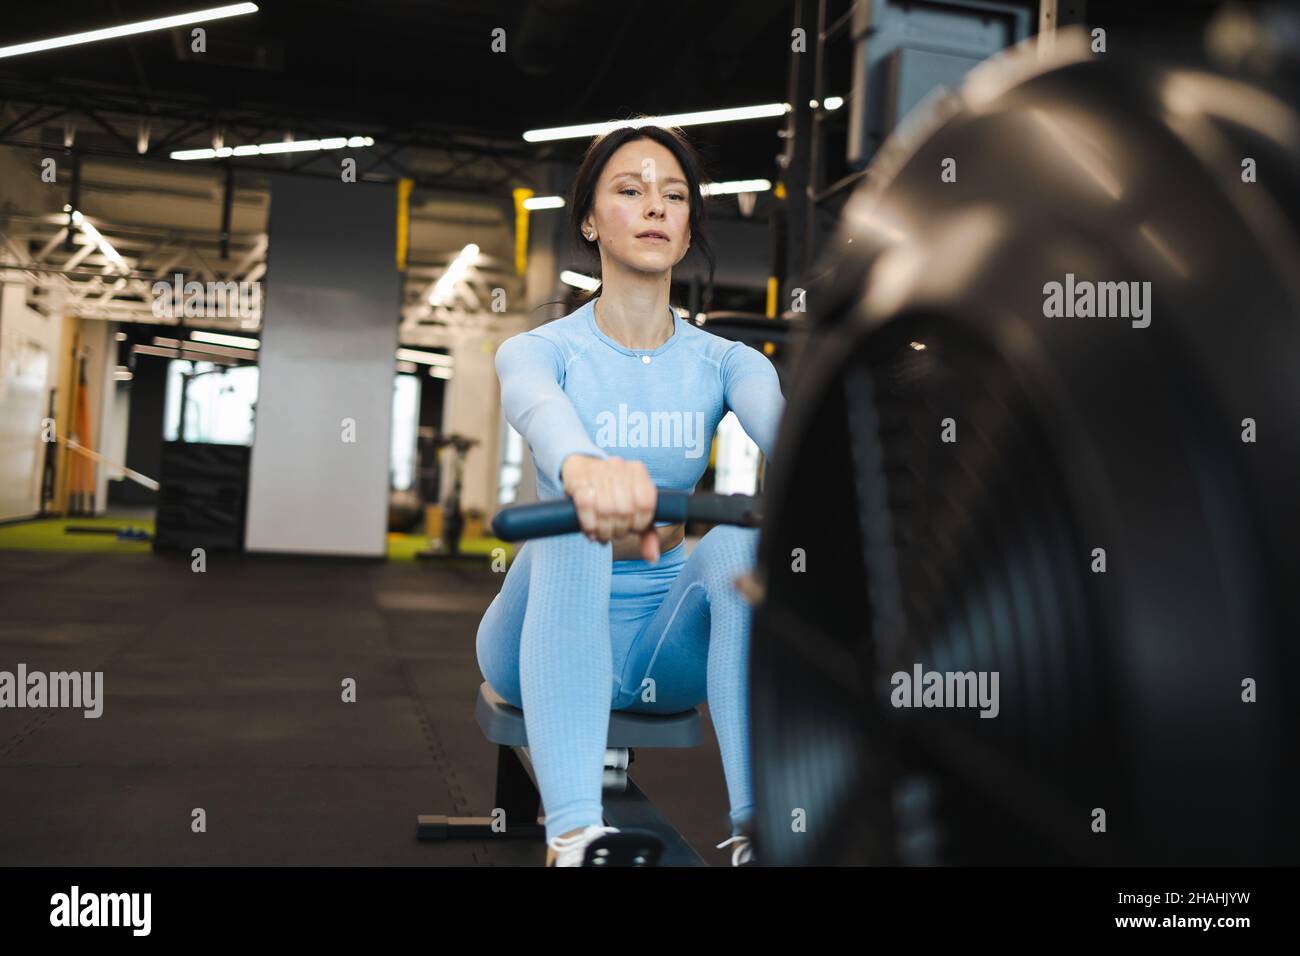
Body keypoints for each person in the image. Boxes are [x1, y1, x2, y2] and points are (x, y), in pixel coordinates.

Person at [476, 122, 784, 867]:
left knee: (741, 544)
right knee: (573, 528)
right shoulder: (540, 349)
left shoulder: (727, 362)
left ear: (686, 232)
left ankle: (755, 834)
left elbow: (788, 431)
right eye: (630, 189)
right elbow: (538, 410)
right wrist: (584, 469)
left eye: (673, 196)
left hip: (661, 654)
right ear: (589, 220)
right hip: (531, 635)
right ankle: (575, 837)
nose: (655, 205)